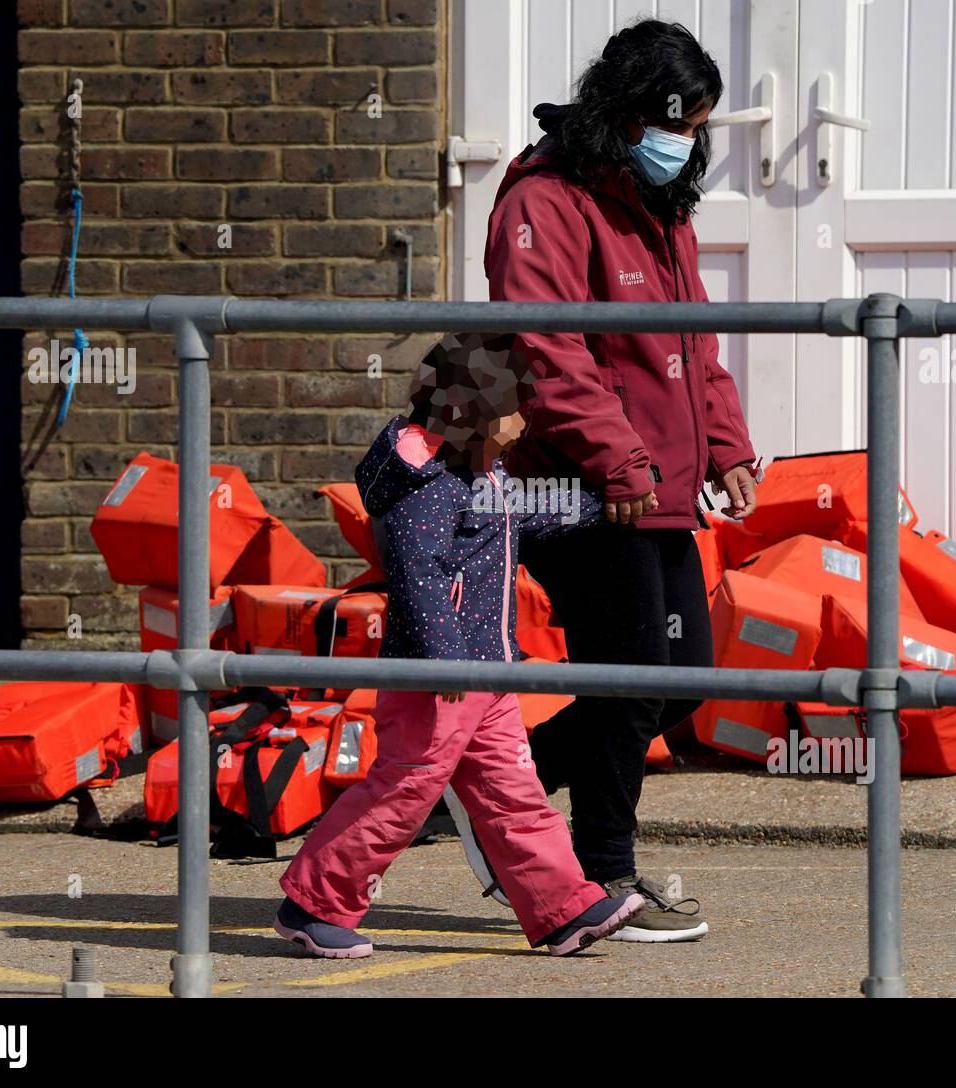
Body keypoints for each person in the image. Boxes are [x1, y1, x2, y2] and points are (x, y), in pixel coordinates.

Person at [473, 19, 760, 943]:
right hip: (578, 487)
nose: (687, 141)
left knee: (677, 687)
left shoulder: (657, 199)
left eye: (700, 126)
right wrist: (622, 461)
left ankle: (482, 791)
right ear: (625, 111)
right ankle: (603, 877)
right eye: (677, 122)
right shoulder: (543, 200)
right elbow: (547, 349)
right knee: (631, 680)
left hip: (655, 485)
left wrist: (726, 445)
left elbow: (691, 343)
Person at [273, 335, 644, 958]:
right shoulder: (428, 486)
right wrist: (445, 659)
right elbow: (419, 576)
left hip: (488, 672)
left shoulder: (481, 474)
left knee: (514, 792)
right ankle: (314, 904)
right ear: (473, 412)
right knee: (404, 790)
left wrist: (602, 505)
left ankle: (564, 910)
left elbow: (529, 515)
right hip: (439, 677)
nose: (527, 422)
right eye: (516, 410)